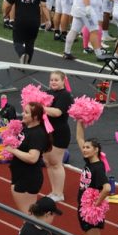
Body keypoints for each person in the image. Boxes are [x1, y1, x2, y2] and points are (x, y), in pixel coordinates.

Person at [74, 119, 111, 235]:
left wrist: (96, 204)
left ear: (96, 150)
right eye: (85, 147)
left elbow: (107, 188)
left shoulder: (98, 168)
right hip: (84, 210)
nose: (85, 149)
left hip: (91, 213)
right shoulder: (90, 163)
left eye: (88, 147)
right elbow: (79, 138)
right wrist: (80, 120)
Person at [5, 102, 52, 214]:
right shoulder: (26, 128)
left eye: (26, 112)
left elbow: (33, 158)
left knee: (28, 215)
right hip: (20, 175)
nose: (23, 114)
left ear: (35, 117)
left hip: (28, 178)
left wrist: (13, 150)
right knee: (28, 214)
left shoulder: (37, 134)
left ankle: (33, 231)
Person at [3, 0, 51, 64]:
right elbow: (44, 6)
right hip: (34, 21)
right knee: (30, 43)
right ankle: (27, 63)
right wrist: (48, 20)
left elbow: (7, 5)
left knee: (17, 41)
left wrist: (6, 14)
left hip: (20, 20)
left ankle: (22, 54)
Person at [43, 71, 73, 202]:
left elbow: (57, 112)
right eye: (51, 80)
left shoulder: (65, 95)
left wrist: (41, 108)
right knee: (48, 163)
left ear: (63, 81)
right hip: (46, 132)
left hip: (60, 133)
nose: (53, 82)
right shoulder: (48, 93)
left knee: (56, 163)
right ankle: (54, 191)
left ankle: (59, 193)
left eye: (56, 80)